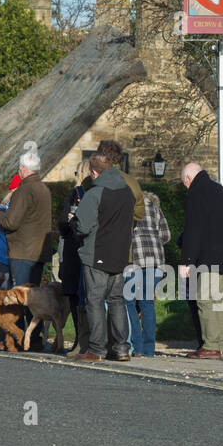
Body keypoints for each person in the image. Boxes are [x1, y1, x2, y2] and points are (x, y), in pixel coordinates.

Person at [74, 145, 136, 361]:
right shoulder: (127, 192)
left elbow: (83, 227)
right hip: (120, 254)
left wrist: (75, 220)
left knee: (95, 301)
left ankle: (97, 349)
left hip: (96, 253)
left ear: (94, 172)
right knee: (117, 300)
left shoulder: (95, 193)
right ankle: (121, 348)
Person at [179, 162, 223, 359]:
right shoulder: (219, 190)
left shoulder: (197, 193)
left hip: (209, 257)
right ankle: (220, 345)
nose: (186, 188)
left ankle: (210, 345)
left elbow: (193, 230)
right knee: (220, 302)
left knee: (205, 300)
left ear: (189, 179)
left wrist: (187, 260)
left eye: (184, 184)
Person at [0, 151, 52, 289]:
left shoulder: (23, 190)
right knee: (33, 296)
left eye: (19, 168)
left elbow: (11, 223)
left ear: (24, 169)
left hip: (23, 252)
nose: (19, 171)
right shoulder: (44, 189)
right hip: (39, 251)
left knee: (21, 296)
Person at [125, 190, 171, 357]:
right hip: (155, 262)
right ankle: (149, 348)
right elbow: (166, 236)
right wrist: (154, 241)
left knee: (128, 302)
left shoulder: (128, 208)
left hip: (133, 260)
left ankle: (136, 346)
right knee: (147, 303)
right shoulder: (156, 210)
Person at [58, 163, 92, 356]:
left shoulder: (75, 193)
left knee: (76, 296)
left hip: (74, 249)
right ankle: (85, 340)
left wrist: (70, 220)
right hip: (88, 249)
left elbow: (63, 226)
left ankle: (81, 340)